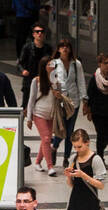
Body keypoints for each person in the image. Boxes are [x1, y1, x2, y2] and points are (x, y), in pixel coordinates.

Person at [50, 38, 86, 168]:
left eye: (67, 46)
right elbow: (50, 80)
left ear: (70, 49)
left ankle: (66, 157)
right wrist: (54, 92)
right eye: (62, 46)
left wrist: (84, 98)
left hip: (74, 101)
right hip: (61, 101)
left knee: (70, 132)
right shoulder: (54, 63)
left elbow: (81, 81)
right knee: (63, 129)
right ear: (58, 49)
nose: (64, 48)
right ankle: (54, 147)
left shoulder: (76, 64)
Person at [19, 23, 52, 116]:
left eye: (42, 32)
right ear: (33, 34)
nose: (40, 34)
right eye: (37, 32)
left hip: (43, 80)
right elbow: (20, 63)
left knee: (42, 102)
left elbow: (53, 63)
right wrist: (23, 71)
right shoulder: (27, 47)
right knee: (26, 104)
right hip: (29, 80)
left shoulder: (48, 48)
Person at [83, 52, 108, 157]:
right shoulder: (95, 78)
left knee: (106, 136)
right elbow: (89, 95)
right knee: (101, 135)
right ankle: (100, 158)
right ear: (100, 64)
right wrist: (88, 110)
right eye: (105, 63)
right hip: (98, 112)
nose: (107, 66)